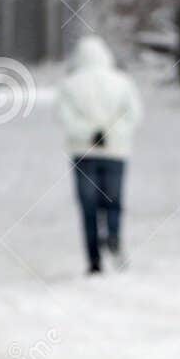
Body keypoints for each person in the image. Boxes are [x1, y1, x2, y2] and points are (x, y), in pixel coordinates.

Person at [56, 35, 142, 275]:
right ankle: (113, 235)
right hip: (116, 152)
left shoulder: (69, 84)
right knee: (114, 201)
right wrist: (110, 134)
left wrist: (89, 133)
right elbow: (133, 114)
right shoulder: (122, 82)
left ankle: (94, 261)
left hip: (83, 152)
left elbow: (64, 117)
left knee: (88, 207)